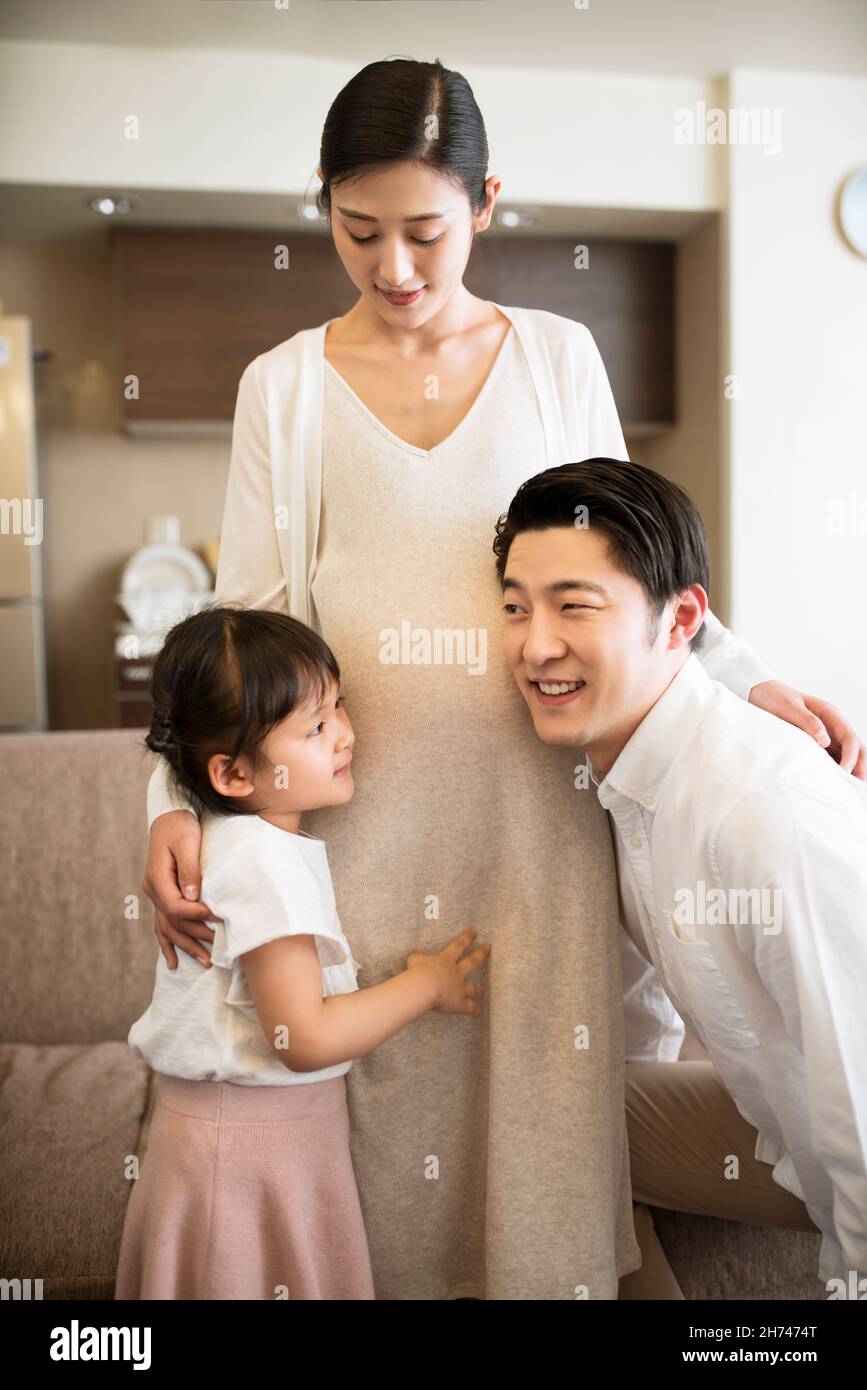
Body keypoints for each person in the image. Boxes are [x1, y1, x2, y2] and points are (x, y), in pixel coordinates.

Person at [139, 58, 863, 1299]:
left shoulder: (557, 356)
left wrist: (743, 681)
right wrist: (169, 795)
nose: (396, 268)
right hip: (364, 829)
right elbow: (241, 628)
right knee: (388, 1143)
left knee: (542, 1144)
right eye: (358, 231)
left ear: (485, 204)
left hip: (542, 827)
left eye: (426, 230)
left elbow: (627, 561)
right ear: (324, 208)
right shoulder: (286, 387)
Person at [494, 457, 867, 1298]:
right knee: (552, 1116)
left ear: (681, 620)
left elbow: (862, 1108)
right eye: (515, 608)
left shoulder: (758, 810)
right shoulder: (628, 787)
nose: (534, 645)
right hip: (776, 1129)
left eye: (573, 606)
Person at [115, 605, 489, 1300]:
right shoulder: (262, 864)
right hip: (245, 1156)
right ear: (230, 774)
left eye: (338, 708)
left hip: (241, 1142)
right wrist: (425, 986)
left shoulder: (239, 841)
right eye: (316, 728)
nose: (346, 734)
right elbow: (304, 1037)